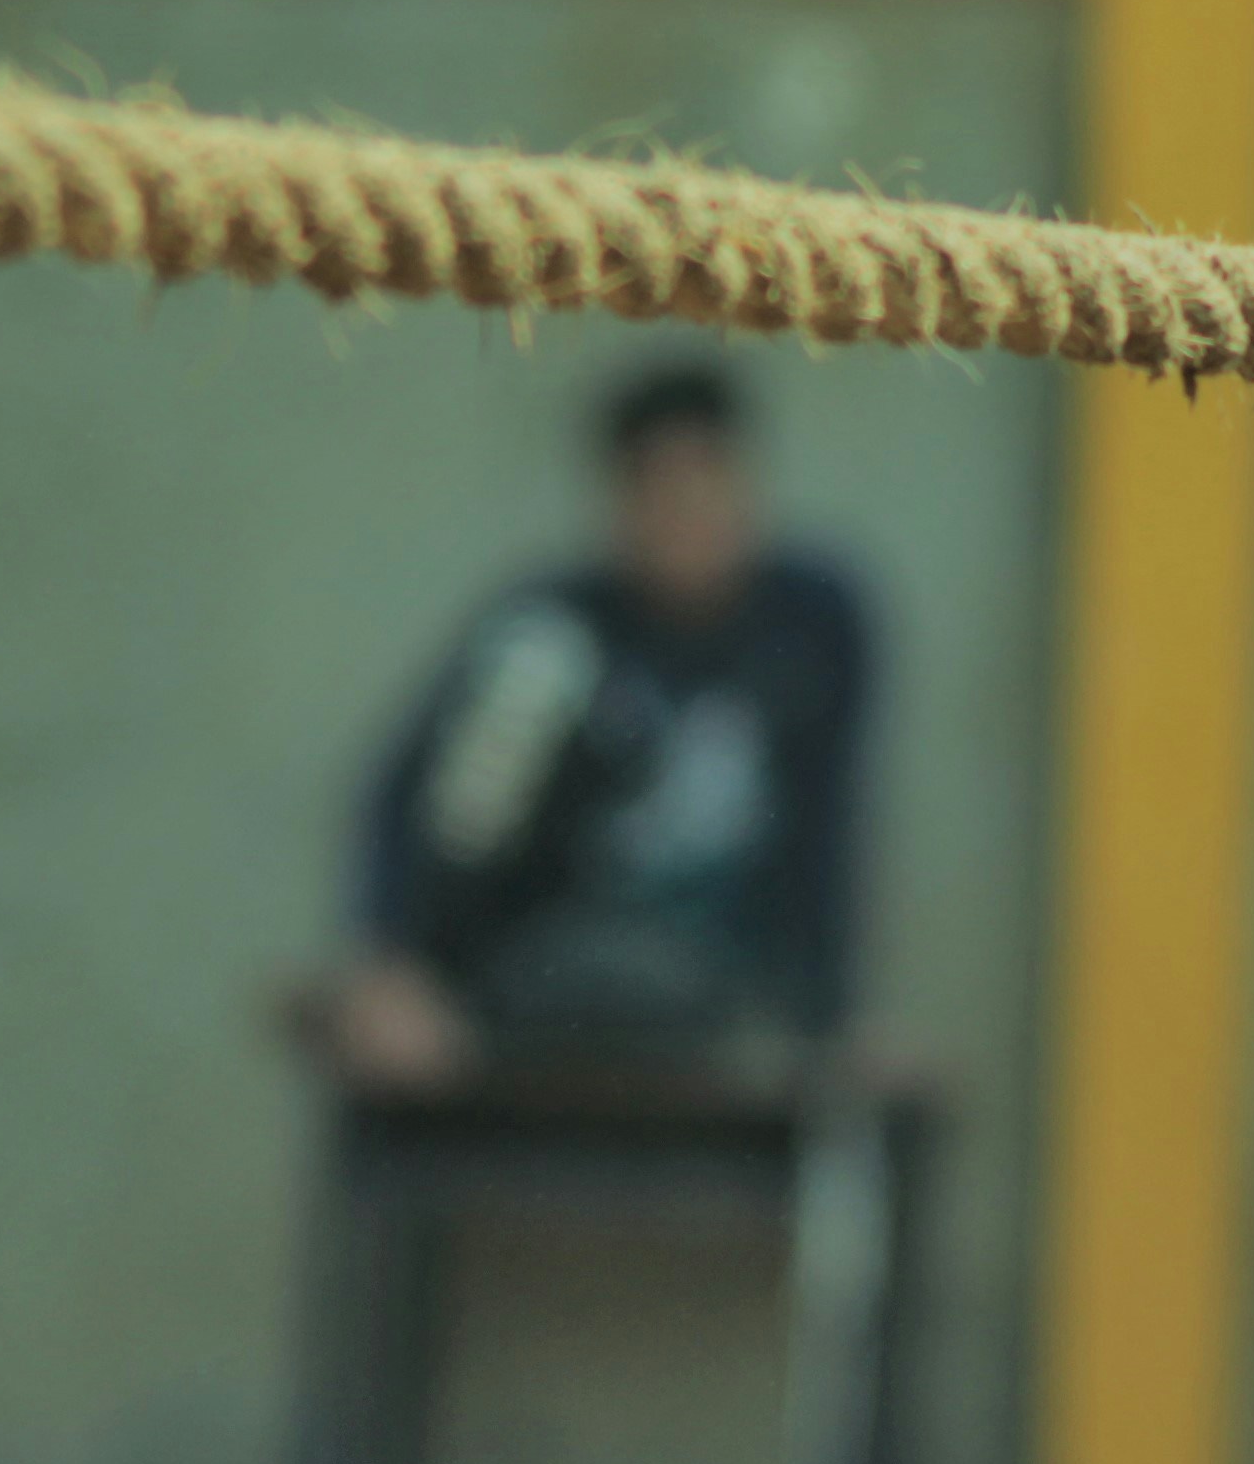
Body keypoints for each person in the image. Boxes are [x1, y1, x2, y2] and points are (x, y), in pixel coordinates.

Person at [300, 359, 872, 1096]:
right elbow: (430, 807)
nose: (688, 517)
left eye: (707, 483)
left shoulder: (813, 625)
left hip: (718, 987)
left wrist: (835, 1018)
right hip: (545, 969)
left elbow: (827, 828)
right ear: (620, 503)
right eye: (660, 492)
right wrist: (396, 964)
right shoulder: (551, 636)